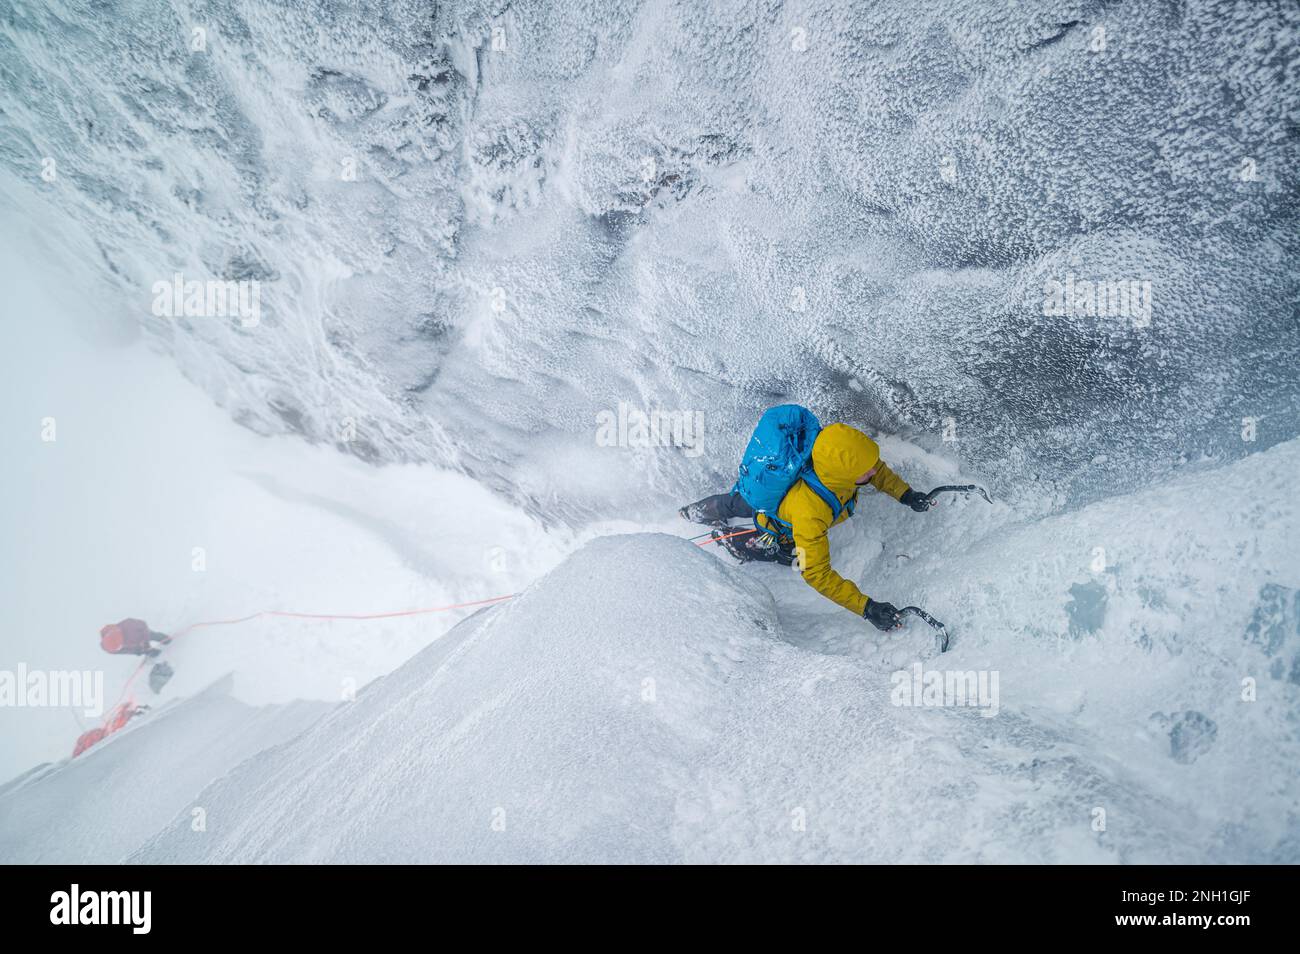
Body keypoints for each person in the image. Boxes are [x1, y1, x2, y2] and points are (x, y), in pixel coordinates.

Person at [680, 422, 934, 631]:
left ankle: (696, 511)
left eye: (869, 467)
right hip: (781, 520)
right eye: (865, 472)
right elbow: (816, 573)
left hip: (781, 497)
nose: (872, 473)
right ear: (842, 476)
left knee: (738, 503)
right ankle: (730, 541)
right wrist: (866, 608)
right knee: (775, 540)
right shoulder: (810, 514)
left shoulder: (831, 454)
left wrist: (906, 495)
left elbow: (874, 469)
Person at [99, 618, 172, 657]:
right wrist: (139, 651)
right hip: (134, 643)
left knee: (153, 635)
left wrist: (146, 642)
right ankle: (153, 653)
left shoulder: (129, 625)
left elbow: (143, 625)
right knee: (144, 650)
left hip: (143, 633)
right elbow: (126, 651)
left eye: (119, 645)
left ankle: (166, 639)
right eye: (118, 647)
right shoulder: (111, 649)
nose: (120, 647)